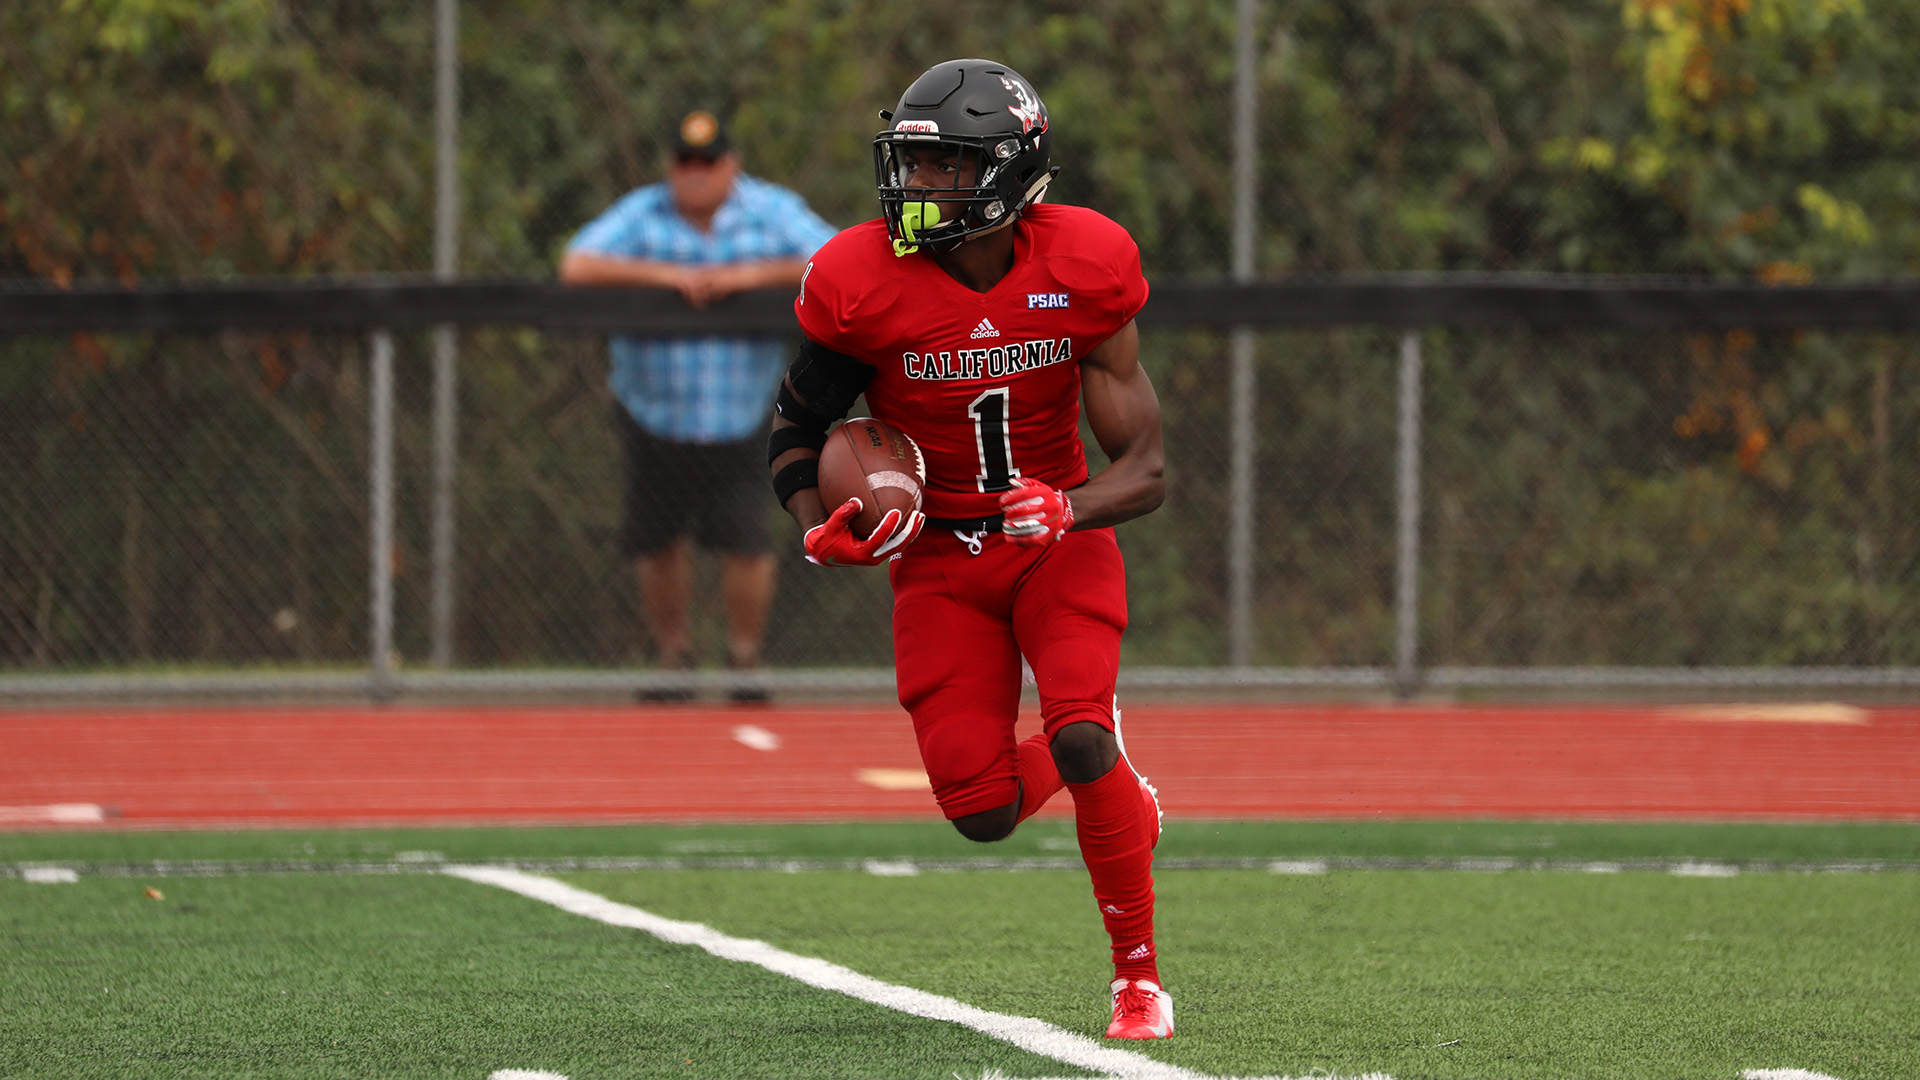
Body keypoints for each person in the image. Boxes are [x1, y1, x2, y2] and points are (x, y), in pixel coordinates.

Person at [766, 60, 1172, 1039]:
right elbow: (792, 428)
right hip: (942, 561)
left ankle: (1138, 979)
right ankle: (1118, 786)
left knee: (1080, 732)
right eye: (911, 164)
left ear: (1008, 172)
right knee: (982, 808)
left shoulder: (1083, 265)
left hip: (1053, 543)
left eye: (945, 166)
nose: (918, 188)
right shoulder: (862, 282)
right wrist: (818, 528)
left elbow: (1149, 468)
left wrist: (1072, 508)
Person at [560, 110, 839, 701]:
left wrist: (746, 277)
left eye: (708, 162)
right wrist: (668, 277)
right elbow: (577, 264)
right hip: (652, 414)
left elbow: (836, 258)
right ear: (670, 166)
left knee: (748, 543)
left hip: (741, 415)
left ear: (731, 165)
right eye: (684, 162)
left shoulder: (770, 210)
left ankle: (744, 662)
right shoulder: (643, 213)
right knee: (656, 541)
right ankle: (675, 660)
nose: (695, 173)